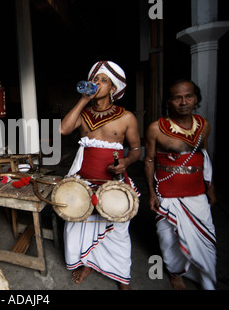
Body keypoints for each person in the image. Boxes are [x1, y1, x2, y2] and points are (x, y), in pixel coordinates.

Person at [60, 61, 141, 289]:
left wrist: (125, 161)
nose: (97, 84)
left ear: (113, 88)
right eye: (94, 79)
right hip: (83, 183)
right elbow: (64, 129)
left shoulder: (127, 118)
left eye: (103, 80)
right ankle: (87, 263)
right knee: (79, 224)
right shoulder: (84, 115)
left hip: (113, 185)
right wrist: (84, 99)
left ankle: (122, 276)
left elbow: (136, 150)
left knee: (118, 232)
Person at [144, 79, 216, 290]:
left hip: (197, 192)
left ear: (196, 99)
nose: (183, 102)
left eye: (188, 96)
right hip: (167, 193)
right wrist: (151, 193)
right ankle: (175, 274)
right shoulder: (156, 128)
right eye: (177, 98)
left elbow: (205, 156)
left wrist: (210, 186)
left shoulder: (204, 125)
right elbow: (148, 160)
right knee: (167, 239)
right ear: (169, 102)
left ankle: (205, 277)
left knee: (205, 241)